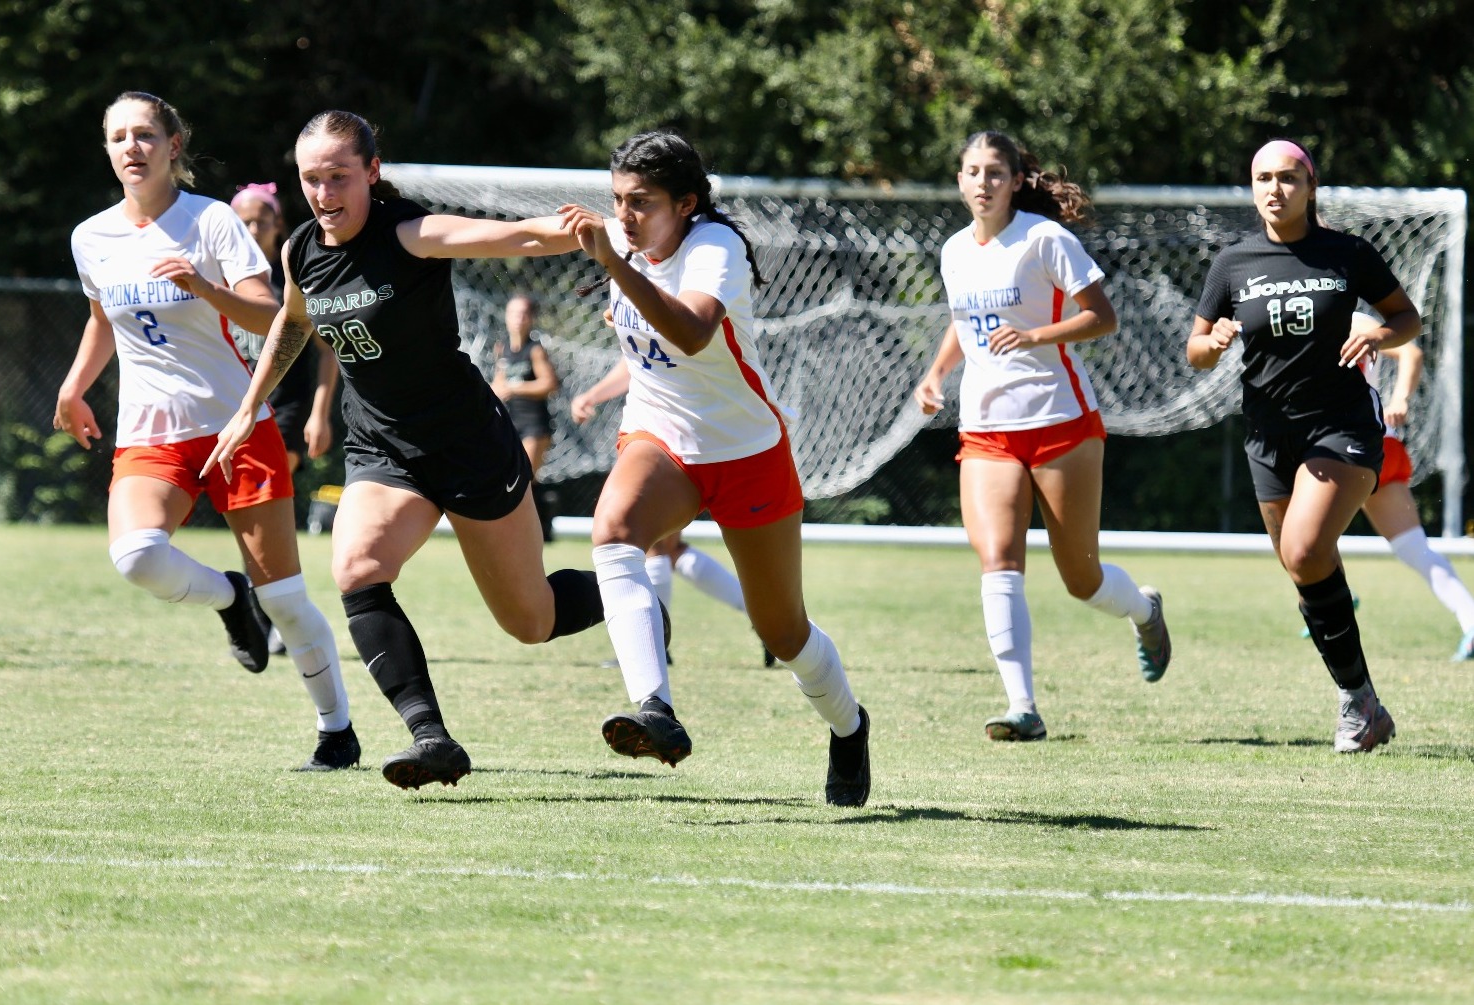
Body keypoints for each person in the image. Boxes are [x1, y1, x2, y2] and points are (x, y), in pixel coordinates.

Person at [204, 110, 609, 790]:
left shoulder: (411, 234)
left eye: (339, 176)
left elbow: (510, 236)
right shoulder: (300, 248)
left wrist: (584, 232)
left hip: (468, 443)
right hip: (384, 447)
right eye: (311, 179)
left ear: (371, 172)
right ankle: (431, 737)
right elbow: (293, 322)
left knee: (529, 620)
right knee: (357, 566)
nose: (324, 193)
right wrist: (248, 409)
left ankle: (634, 597)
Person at [559, 130, 870, 807]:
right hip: (661, 442)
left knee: (782, 631)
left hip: (747, 452)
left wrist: (613, 259)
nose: (625, 215)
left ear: (687, 203)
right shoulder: (628, 251)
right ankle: (654, 707)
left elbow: (692, 331)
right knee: (611, 530)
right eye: (616, 201)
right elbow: (646, 345)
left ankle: (849, 726)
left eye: (641, 202)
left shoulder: (714, 247)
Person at [53, 92, 358, 772]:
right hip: (149, 433)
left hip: (233, 428)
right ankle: (229, 596)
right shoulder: (90, 236)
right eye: (118, 137)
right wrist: (74, 386)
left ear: (173, 145)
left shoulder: (212, 221)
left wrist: (201, 285)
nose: (131, 147)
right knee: (135, 555)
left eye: (145, 135)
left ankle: (336, 730)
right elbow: (104, 318)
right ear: (107, 150)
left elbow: (268, 315)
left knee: (285, 597)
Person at [912, 130, 1171, 743]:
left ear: (1017, 181)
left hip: (1061, 421)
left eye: (995, 172)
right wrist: (936, 373)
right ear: (959, 180)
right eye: (972, 171)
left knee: (1081, 579)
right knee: (997, 560)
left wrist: (1035, 336)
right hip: (986, 430)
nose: (982, 183)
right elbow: (964, 322)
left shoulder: (1045, 238)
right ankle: (1021, 706)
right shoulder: (954, 250)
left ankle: (1144, 610)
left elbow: (1101, 317)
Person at [1189, 139, 1422, 753]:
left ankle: (1354, 704)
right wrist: (1212, 343)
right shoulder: (1233, 261)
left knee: (1305, 546)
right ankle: (1364, 703)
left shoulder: (1345, 253)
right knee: (1304, 568)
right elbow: (1194, 348)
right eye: (1263, 178)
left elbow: (1408, 318)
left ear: (1310, 185)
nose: (1275, 189)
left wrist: (1377, 332)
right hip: (1267, 434)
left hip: (1341, 425)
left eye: (1288, 178)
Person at [570, 360, 776, 667]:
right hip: (684, 430)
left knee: (649, 543)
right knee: (669, 548)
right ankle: (767, 622)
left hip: (670, 432)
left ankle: (654, 647)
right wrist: (594, 394)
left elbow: (645, 354)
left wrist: (593, 394)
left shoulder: (673, 315)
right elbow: (637, 356)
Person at [231, 182, 343, 658]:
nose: (253, 229)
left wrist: (320, 413)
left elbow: (327, 353)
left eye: (262, 220)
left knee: (259, 507)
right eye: (244, 221)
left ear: (278, 225)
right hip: (233, 411)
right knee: (248, 516)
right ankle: (268, 613)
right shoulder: (223, 279)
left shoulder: (290, 279)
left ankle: (271, 620)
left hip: (286, 413)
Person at [1338, 312, 1474, 659]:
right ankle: (1471, 622)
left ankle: (1329, 595)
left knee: (1298, 532)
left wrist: (1400, 399)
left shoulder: (1347, 318)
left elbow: (1410, 352)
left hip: (1349, 445)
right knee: (1414, 548)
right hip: (1373, 444)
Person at [490, 292, 561, 542]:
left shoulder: (535, 350)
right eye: (513, 313)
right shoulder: (502, 348)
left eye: (523, 314)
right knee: (510, 479)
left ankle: (539, 531)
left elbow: (550, 383)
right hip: (511, 423)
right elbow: (499, 384)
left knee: (525, 480)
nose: (518, 319)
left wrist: (515, 387)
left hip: (535, 425)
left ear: (530, 318)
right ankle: (542, 517)